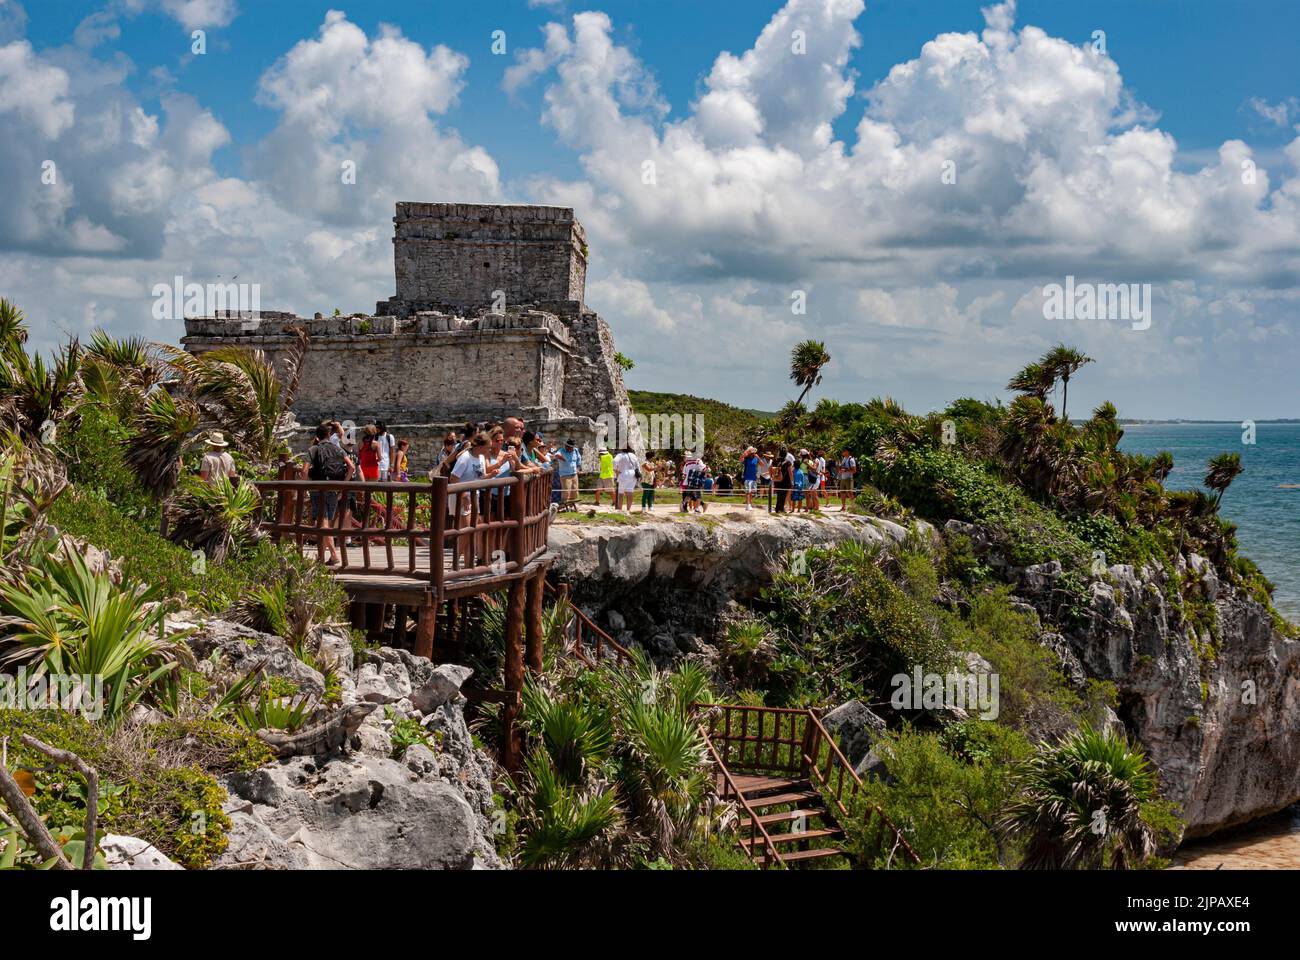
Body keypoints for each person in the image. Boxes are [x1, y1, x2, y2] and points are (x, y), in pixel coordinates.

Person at [306, 423, 353, 564]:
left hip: (318, 489)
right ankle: (322, 557)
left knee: (323, 522)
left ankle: (333, 555)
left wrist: (307, 485)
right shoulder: (338, 449)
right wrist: (343, 485)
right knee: (326, 522)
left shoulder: (314, 449)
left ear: (317, 436)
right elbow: (351, 467)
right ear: (328, 435)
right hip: (334, 488)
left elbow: (304, 470)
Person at [613, 445, 638, 512]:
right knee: (630, 492)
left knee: (620, 493)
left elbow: (614, 461)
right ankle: (628, 510)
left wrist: (615, 470)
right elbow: (637, 465)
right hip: (633, 474)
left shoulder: (620, 455)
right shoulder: (633, 455)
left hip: (624, 473)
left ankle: (620, 509)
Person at [557, 438, 581, 504]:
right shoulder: (561, 450)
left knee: (575, 490)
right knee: (566, 491)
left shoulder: (575, 451)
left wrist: (578, 468)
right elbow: (556, 455)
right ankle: (563, 505)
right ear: (566, 446)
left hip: (574, 474)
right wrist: (563, 458)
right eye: (570, 448)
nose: (571, 449)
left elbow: (579, 460)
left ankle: (572, 505)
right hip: (565, 475)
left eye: (572, 448)